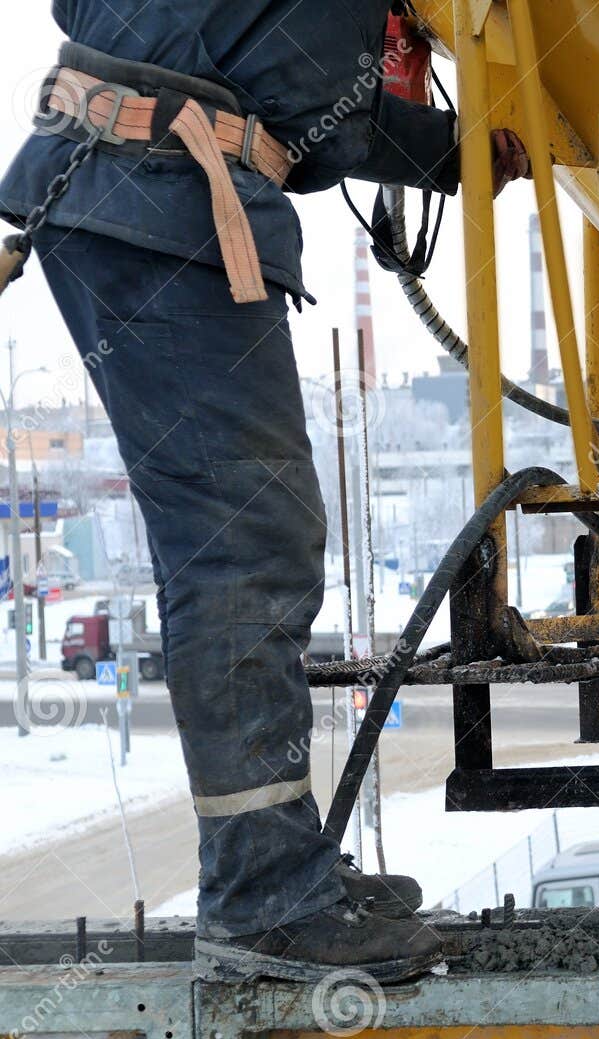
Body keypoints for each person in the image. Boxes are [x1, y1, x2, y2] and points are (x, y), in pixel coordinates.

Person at [0, 2, 530, 983]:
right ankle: (266, 901)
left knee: (251, 533)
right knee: (245, 540)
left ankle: (276, 871)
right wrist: (456, 149)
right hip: (155, 197)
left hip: (146, 191)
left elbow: (302, 101)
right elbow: (318, 99)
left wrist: (445, 150)